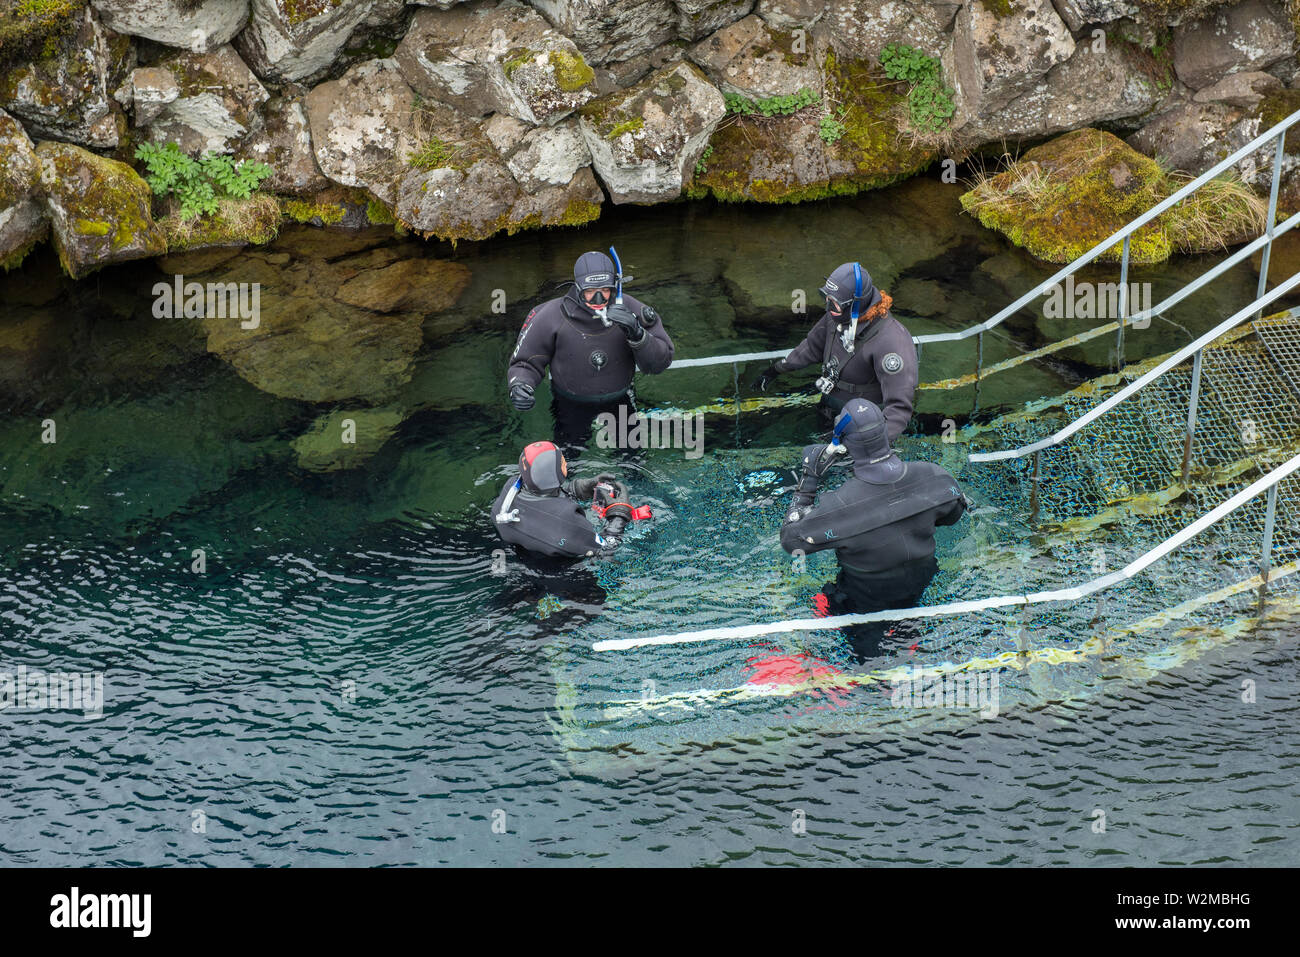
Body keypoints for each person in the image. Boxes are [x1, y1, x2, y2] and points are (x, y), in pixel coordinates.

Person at [779, 398, 970, 661]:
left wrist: (809, 480)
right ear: (885, 430)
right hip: (923, 583)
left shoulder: (839, 506)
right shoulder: (935, 476)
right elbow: (953, 516)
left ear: (842, 445)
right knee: (907, 623)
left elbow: (792, 541)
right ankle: (908, 638)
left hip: (863, 600)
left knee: (858, 649)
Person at [506, 250, 674, 453]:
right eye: (590, 290)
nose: (598, 297)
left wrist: (638, 335)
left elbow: (660, 363)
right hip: (570, 402)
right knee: (568, 458)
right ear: (577, 288)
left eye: (605, 289)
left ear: (615, 287)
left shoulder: (633, 310)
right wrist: (520, 385)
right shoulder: (550, 316)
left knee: (632, 457)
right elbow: (525, 362)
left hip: (621, 398)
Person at [752, 261, 917, 442]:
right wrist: (775, 370)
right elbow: (811, 347)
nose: (828, 308)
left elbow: (898, 409)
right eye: (826, 298)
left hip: (865, 424)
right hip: (830, 407)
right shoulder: (836, 317)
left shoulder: (891, 341)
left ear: (855, 306)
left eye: (835, 303)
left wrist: (870, 448)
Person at [492, 440, 635, 559]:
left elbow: (541, 504)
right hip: (564, 580)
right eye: (561, 462)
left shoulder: (509, 489)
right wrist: (619, 515)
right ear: (553, 473)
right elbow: (606, 549)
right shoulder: (568, 520)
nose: (565, 464)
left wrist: (575, 489)